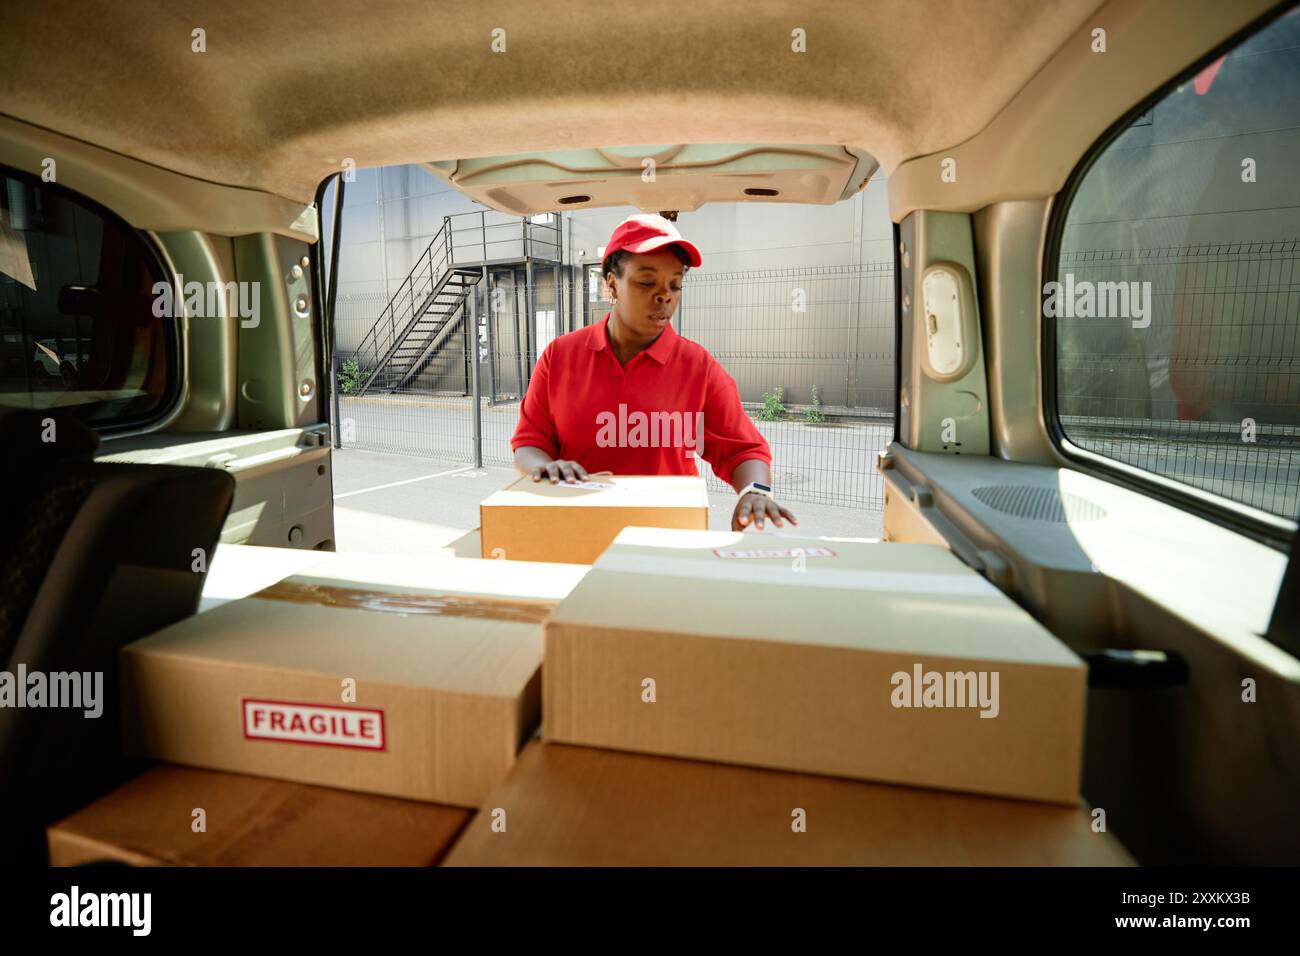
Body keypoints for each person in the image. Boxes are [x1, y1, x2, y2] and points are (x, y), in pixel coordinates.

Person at [511, 213, 797, 531]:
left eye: (675, 284)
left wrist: (754, 491)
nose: (665, 295)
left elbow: (743, 450)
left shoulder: (696, 367)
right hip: (577, 529)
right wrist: (547, 468)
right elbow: (529, 443)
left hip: (667, 533)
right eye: (647, 281)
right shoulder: (560, 357)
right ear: (611, 284)